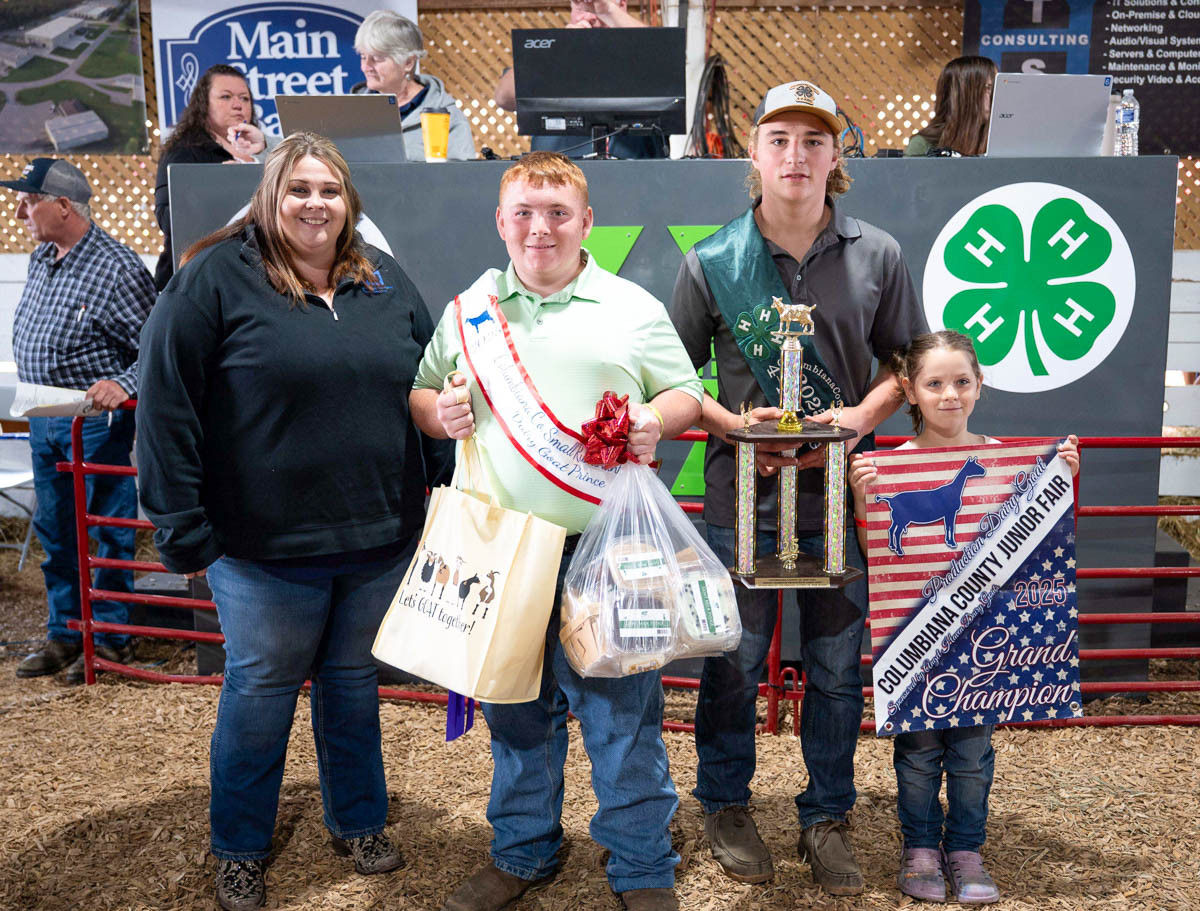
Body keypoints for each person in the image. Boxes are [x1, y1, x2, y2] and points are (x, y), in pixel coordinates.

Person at [136, 132, 451, 911]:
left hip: (376, 534)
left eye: (330, 190)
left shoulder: (382, 280)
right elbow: (167, 408)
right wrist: (182, 528)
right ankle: (240, 844)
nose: (316, 203)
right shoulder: (214, 279)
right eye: (299, 189)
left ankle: (360, 818)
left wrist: (441, 490)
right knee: (261, 689)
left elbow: (433, 377)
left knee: (351, 683)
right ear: (270, 196)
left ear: (351, 203)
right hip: (262, 546)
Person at [411, 151, 702, 911]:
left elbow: (685, 393)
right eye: (524, 213)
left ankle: (642, 867)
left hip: (606, 552)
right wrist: (433, 411)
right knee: (514, 717)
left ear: (586, 223)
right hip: (501, 552)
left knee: (623, 722)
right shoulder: (470, 310)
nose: (540, 228)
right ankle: (523, 850)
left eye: (558, 212)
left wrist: (652, 418)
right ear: (501, 222)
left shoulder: (632, 306)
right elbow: (422, 386)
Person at [668, 79, 927, 894]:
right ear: (753, 153)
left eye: (813, 140)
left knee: (837, 666)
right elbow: (672, 379)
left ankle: (828, 812)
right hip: (734, 501)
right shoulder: (712, 260)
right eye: (779, 138)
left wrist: (856, 417)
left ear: (835, 155)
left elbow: (908, 363)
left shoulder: (878, 253)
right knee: (733, 661)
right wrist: (732, 424)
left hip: (839, 498)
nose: (796, 155)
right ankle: (724, 802)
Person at [848, 330, 1080, 903]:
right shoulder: (891, 468)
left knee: (973, 753)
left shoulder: (1011, 464)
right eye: (934, 383)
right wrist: (861, 502)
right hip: (916, 639)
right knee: (920, 752)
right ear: (910, 391)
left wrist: (1059, 483)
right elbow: (874, 546)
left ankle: (967, 848)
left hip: (983, 639)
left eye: (961, 382)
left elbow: (1034, 546)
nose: (949, 394)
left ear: (980, 386)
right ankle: (921, 849)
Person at [4, 158, 155, 686]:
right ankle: (67, 634)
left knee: (107, 530)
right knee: (57, 530)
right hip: (46, 417)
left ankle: (112, 639)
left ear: (63, 206)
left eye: (29, 199)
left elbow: (153, 348)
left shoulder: (117, 267)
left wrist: (126, 385)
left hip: (93, 421)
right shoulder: (43, 256)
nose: (20, 208)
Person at [492, 0, 667, 159]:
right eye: (581, 7)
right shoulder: (550, 57)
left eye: (595, 8)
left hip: (637, 176)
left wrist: (607, 11)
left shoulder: (640, 58)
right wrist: (558, 46)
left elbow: (663, 53)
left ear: (621, 5)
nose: (590, 16)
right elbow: (503, 98)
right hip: (557, 178)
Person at [154, 64, 268, 290]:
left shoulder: (262, 151)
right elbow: (168, 219)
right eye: (225, 97)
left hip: (253, 275)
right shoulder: (183, 152)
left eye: (244, 98)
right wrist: (217, 187)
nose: (238, 105)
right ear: (203, 104)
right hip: (197, 278)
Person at [352, 9, 476, 161]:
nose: (366, 67)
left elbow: (463, 175)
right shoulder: (350, 112)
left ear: (408, 62)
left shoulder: (447, 115)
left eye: (377, 59)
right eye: (363, 57)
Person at [904, 56, 997, 157]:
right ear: (963, 95)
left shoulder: (1004, 142)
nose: (997, 94)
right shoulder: (924, 146)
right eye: (989, 87)